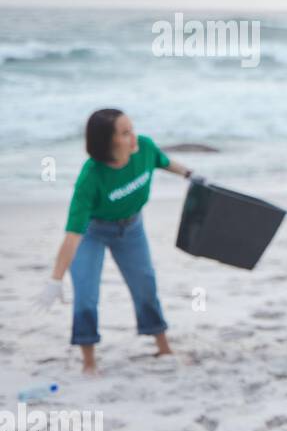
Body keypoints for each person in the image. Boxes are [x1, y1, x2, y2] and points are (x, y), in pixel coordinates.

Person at [37, 109, 201, 374]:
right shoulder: (91, 178)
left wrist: (189, 174)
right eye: (125, 133)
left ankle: (163, 345)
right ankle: (89, 362)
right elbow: (73, 234)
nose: (134, 137)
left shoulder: (144, 148)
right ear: (107, 142)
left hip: (132, 228)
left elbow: (163, 161)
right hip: (93, 232)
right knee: (86, 295)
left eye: (132, 129)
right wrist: (55, 280)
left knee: (145, 285)